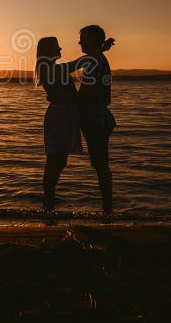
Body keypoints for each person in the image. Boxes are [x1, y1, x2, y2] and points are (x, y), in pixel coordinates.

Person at [35, 37, 86, 222]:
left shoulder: (52, 68)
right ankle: (48, 203)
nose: (61, 47)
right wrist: (95, 54)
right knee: (55, 159)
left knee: (59, 160)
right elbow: (76, 64)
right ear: (49, 49)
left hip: (63, 115)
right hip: (59, 117)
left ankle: (49, 202)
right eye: (57, 46)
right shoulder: (48, 68)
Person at [76, 25, 117, 216]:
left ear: (92, 39)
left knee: (100, 165)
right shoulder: (98, 59)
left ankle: (107, 210)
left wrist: (63, 98)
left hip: (96, 119)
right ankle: (107, 208)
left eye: (83, 38)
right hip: (98, 118)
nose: (79, 42)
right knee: (100, 165)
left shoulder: (94, 62)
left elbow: (89, 92)